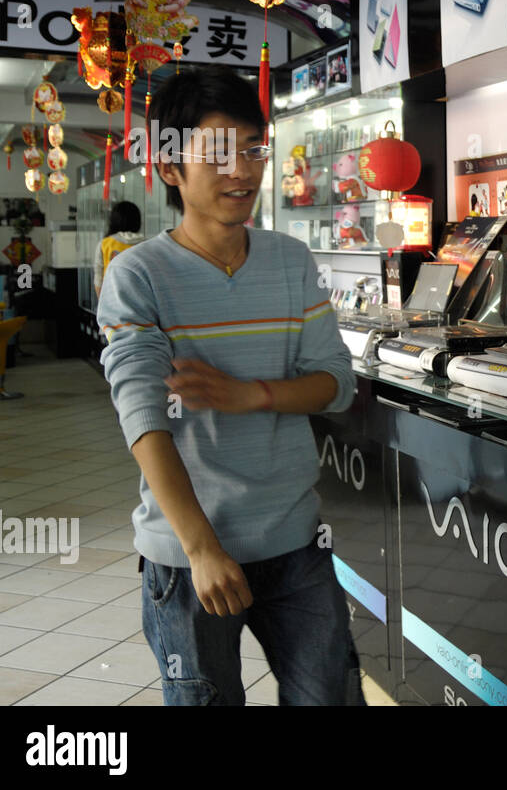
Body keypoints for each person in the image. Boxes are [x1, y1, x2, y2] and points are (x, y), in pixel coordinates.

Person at [96, 67, 364, 706]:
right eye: (217, 154)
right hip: (190, 554)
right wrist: (200, 547)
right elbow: (144, 419)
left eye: (252, 149)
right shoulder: (138, 275)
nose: (241, 171)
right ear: (169, 168)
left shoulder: (290, 259)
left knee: (329, 696)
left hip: (296, 539)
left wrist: (252, 395)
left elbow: (336, 384)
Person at [93, 201, 145, 300]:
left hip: (112, 298)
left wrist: (102, 303)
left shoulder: (105, 244)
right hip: (141, 300)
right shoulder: (147, 244)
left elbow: (98, 278)